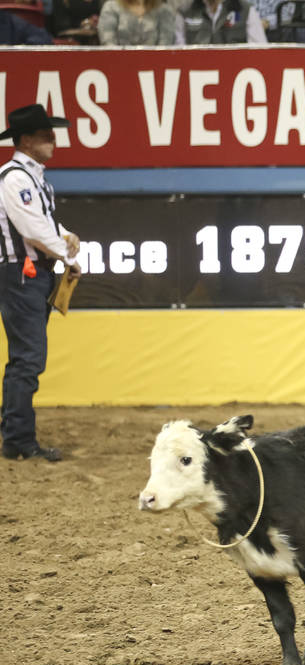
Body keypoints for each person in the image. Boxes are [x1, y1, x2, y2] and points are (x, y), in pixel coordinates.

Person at [0, 104, 83, 462]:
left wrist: (64, 235)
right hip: (22, 274)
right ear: (27, 139)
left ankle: (16, 433)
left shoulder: (30, 177)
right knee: (27, 359)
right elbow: (32, 228)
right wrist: (67, 254)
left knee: (26, 357)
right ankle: (18, 439)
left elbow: (42, 221)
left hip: (29, 275)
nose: (53, 138)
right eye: (45, 133)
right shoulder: (16, 178)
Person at [175, 0, 268, 44]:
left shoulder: (245, 10)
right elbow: (178, 53)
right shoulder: (185, 12)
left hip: (234, 71)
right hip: (196, 72)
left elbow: (260, 50)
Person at [97, 0, 175, 45]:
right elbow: (107, 42)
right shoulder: (111, 7)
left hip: (154, 65)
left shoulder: (164, 10)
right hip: (118, 64)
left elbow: (165, 43)